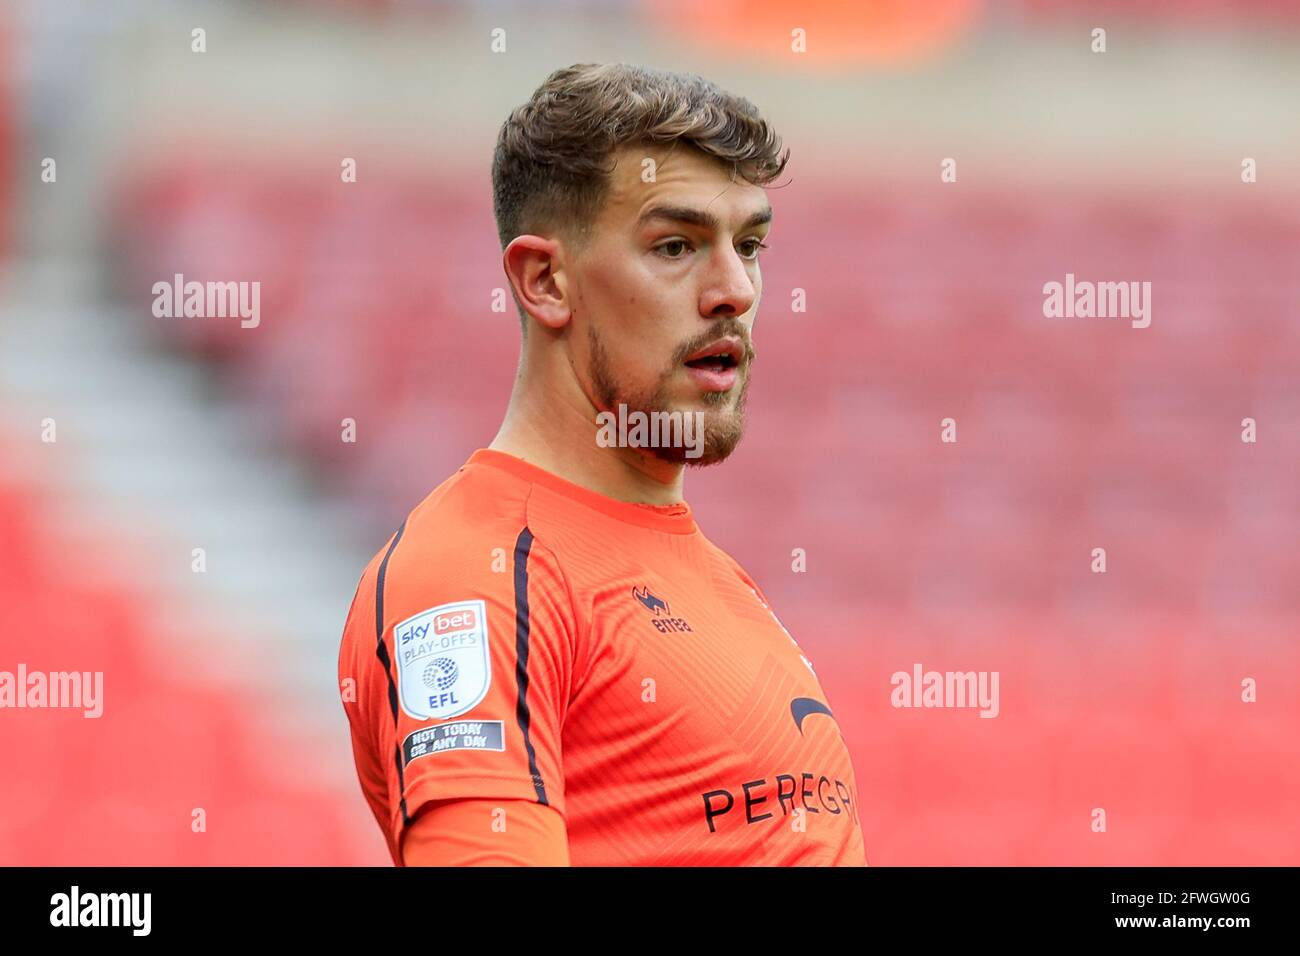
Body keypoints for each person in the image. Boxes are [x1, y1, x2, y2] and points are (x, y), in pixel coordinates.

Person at [338, 62, 867, 866]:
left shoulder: (711, 575)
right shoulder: (474, 578)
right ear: (546, 281)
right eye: (676, 245)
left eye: (750, 244)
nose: (735, 289)